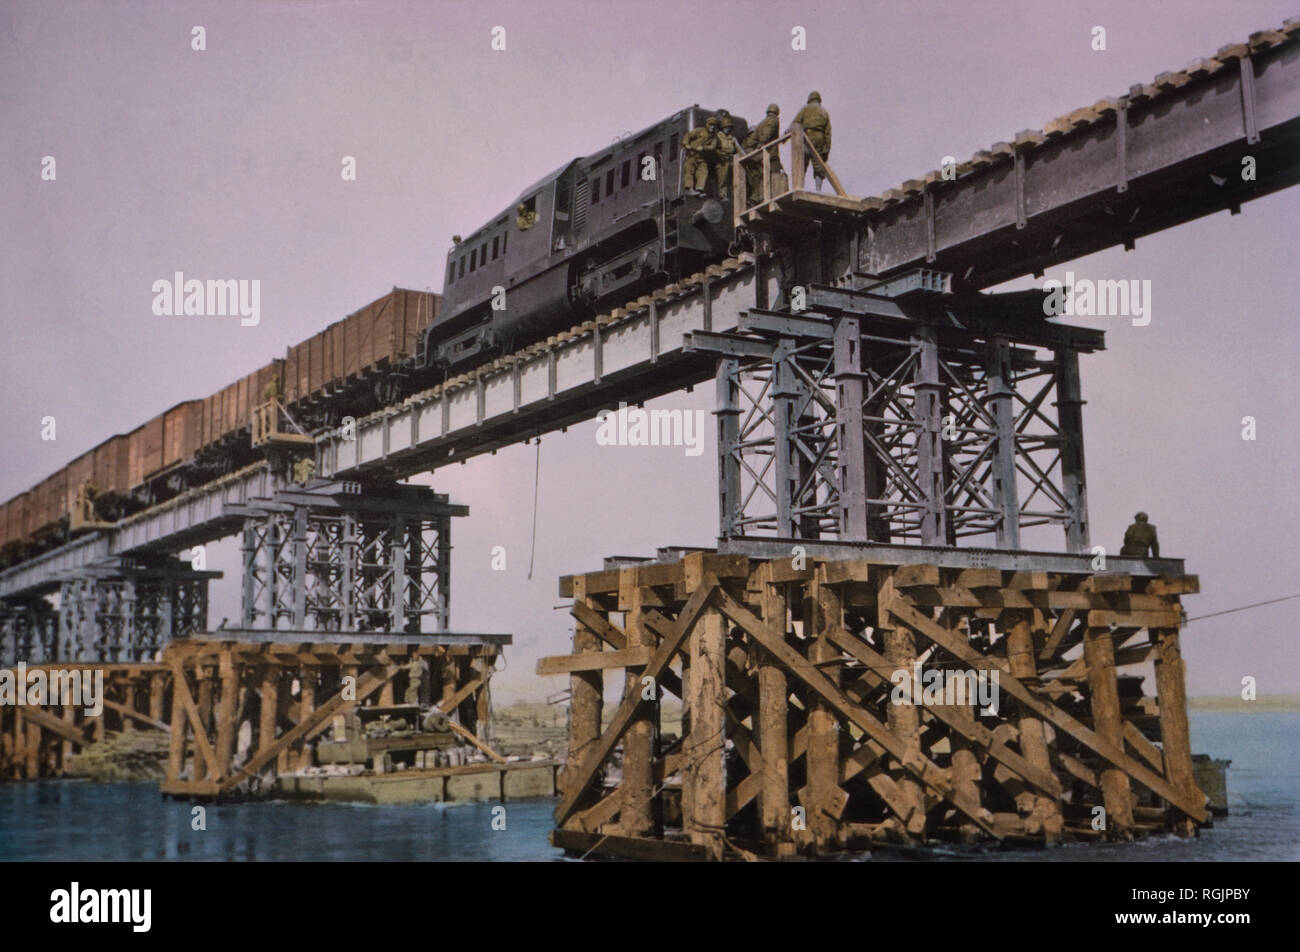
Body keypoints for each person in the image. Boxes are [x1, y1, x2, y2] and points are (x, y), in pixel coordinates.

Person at [742, 103, 782, 203]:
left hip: (762, 155)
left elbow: (752, 140)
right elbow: (767, 133)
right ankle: (766, 197)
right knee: (772, 175)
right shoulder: (773, 120)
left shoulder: (760, 123)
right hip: (770, 154)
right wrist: (762, 143)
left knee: (762, 176)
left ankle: (759, 197)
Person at [793, 91, 832, 189]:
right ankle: (818, 189)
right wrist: (827, 149)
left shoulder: (805, 109)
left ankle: (799, 187)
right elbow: (828, 133)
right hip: (820, 138)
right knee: (818, 165)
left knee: (802, 163)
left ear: (809, 99)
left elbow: (796, 123)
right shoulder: (824, 112)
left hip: (807, 136)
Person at [682, 116, 719, 195]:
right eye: (710, 124)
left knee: (703, 171)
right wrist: (686, 144)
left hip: (702, 157)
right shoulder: (699, 130)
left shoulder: (714, 136)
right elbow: (688, 135)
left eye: (714, 125)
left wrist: (703, 148)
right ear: (706, 124)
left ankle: (700, 189)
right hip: (692, 154)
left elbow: (713, 147)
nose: (712, 127)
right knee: (689, 170)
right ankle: (689, 188)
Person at [714, 116, 739, 195]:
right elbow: (714, 149)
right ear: (722, 127)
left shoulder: (732, 139)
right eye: (726, 127)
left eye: (729, 127)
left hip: (731, 159)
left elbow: (739, 149)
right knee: (723, 179)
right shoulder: (718, 137)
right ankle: (722, 195)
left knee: (734, 178)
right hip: (722, 160)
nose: (728, 128)